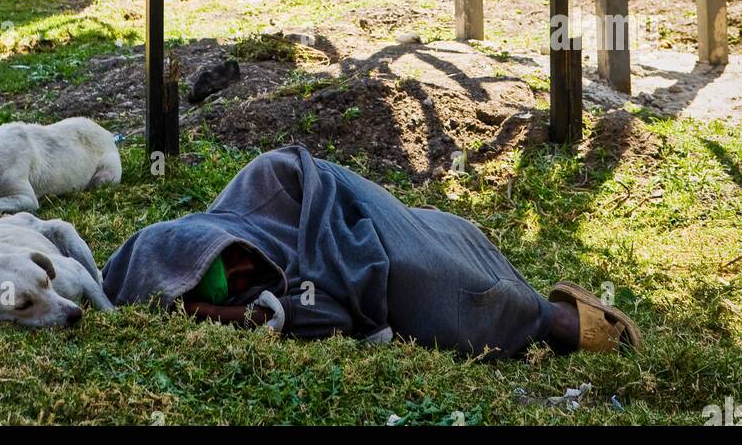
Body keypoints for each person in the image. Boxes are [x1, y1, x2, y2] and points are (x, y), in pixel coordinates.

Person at [102, 145, 641, 357]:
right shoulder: (240, 292)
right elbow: (317, 314)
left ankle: (555, 315)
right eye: (226, 271)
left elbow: (301, 183)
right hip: (342, 264)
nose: (243, 265)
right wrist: (235, 310)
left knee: (415, 257)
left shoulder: (260, 190)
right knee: (421, 294)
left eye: (232, 255)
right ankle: (544, 317)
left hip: (325, 200)